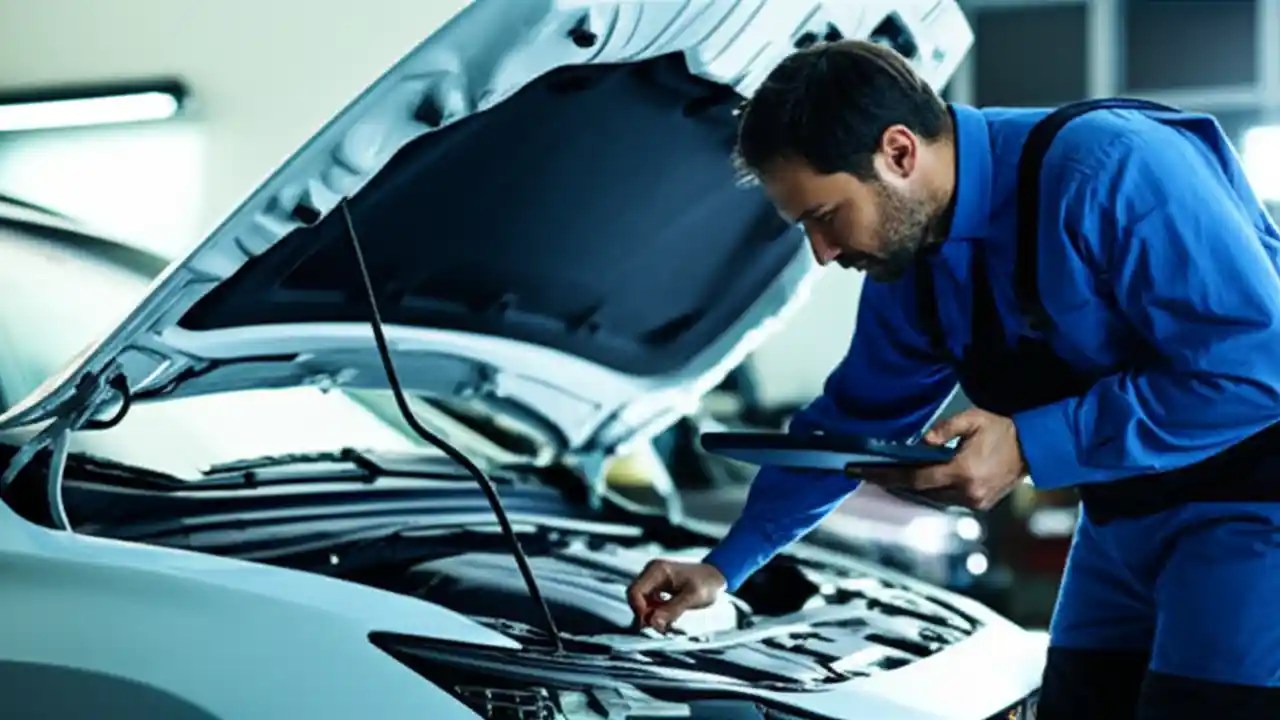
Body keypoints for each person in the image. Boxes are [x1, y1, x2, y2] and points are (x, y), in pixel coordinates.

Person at [625, 39, 1280, 718]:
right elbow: (852, 424)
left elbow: (1258, 370)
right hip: (1120, 521)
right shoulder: (914, 263)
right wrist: (724, 567)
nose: (822, 253)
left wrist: (1027, 444)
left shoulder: (1115, 168)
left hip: (1254, 515)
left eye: (825, 216)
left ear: (899, 152)